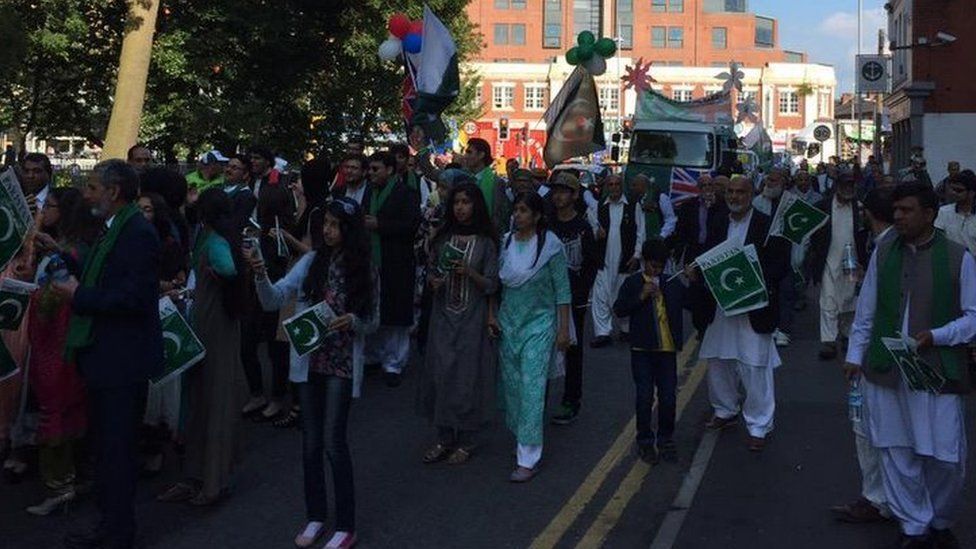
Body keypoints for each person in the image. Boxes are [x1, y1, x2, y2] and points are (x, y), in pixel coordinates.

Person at [844, 182, 976, 549]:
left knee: (945, 455)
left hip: (936, 370)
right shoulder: (884, 250)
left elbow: (974, 317)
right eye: (896, 210)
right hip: (885, 368)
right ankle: (914, 526)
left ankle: (939, 519)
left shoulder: (956, 256)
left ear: (930, 214)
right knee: (894, 448)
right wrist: (855, 356)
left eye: (906, 210)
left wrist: (938, 335)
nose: (898, 216)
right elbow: (867, 308)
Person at [251, 197, 377, 549]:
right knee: (310, 443)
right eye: (326, 224)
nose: (328, 230)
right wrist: (261, 273)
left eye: (336, 225)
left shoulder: (364, 268)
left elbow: (372, 321)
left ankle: (346, 525)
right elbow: (274, 299)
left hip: (341, 363)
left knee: (334, 443)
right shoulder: (310, 261)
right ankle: (316, 515)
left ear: (349, 230)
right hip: (309, 361)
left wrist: (352, 320)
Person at [53, 160, 163, 549]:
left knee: (116, 450)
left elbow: (133, 298)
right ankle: (108, 525)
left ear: (114, 192)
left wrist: (78, 295)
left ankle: (117, 531)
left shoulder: (137, 233)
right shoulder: (116, 228)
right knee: (105, 447)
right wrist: (62, 258)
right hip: (104, 357)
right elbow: (101, 276)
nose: (86, 194)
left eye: (93, 187)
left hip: (121, 361)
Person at [686, 175, 789, 452]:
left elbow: (781, 266)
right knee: (718, 360)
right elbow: (706, 255)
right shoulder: (719, 221)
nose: (734, 197)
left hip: (754, 308)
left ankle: (759, 425)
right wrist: (695, 269)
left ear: (751, 193)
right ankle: (725, 409)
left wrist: (755, 281)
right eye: (730, 192)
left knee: (754, 366)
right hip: (721, 306)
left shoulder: (767, 226)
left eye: (740, 192)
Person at [158, 188, 245, 506]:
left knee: (211, 399)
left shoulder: (215, 240)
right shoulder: (211, 236)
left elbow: (228, 269)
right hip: (207, 321)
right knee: (198, 400)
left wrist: (211, 276)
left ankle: (212, 481)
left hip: (213, 326)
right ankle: (196, 475)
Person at [23, 188, 96, 515]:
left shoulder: (67, 255)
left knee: (54, 411)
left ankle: (58, 486)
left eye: (50, 206)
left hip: (56, 342)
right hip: (68, 342)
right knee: (70, 409)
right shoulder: (76, 249)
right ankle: (73, 478)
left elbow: (53, 298)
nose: (44, 210)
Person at [491, 192, 571, 482]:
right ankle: (521, 438)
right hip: (509, 324)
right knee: (512, 386)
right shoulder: (506, 242)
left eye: (524, 210)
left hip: (540, 325)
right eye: (516, 210)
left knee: (532, 386)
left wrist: (563, 330)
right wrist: (492, 315)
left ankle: (528, 456)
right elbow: (497, 286)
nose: (518, 215)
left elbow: (562, 290)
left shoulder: (550, 246)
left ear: (537, 215)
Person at [418, 182, 498, 464]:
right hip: (443, 317)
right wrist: (434, 282)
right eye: (456, 203)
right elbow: (432, 272)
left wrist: (470, 273)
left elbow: (492, 284)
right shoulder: (443, 239)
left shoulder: (486, 243)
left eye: (466, 202)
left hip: (472, 319)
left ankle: (467, 439)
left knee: (467, 379)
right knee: (441, 375)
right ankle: (443, 437)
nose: (461, 208)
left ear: (476, 205)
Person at [829, 187, 895, 524]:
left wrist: (855, 354)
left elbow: (870, 310)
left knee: (866, 427)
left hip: (873, 355)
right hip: (874, 351)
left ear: (869, 213)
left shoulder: (888, 248)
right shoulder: (885, 246)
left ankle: (878, 498)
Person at [613, 239, 684, 464]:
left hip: (667, 349)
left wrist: (693, 281)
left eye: (660, 267)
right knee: (644, 396)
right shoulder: (634, 283)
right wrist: (641, 297)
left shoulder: (671, 282)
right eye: (653, 266)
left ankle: (665, 438)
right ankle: (645, 440)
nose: (656, 271)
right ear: (645, 262)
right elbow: (620, 309)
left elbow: (689, 301)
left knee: (668, 396)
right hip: (642, 348)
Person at [135, 192, 186, 476]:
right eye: (138, 209)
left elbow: (178, 280)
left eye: (148, 210)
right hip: (134, 319)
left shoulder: (168, 244)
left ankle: (155, 446)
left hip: (160, 316)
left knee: (158, 388)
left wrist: (163, 285)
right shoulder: (127, 241)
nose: (143, 215)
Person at [364, 152, 421, 387]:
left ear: (389, 169)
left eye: (376, 169)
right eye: (370, 169)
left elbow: (411, 225)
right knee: (374, 311)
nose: (371, 173)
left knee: (395, 316)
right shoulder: (369, 193)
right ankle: (374, 356)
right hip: (372, 262)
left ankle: (394, 363)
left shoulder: (406, 193)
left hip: (396, 261)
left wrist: (380, 225)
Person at [548, 173, 599, 425]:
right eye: (555, 191)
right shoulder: (546, 224)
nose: (558, 195)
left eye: (564, 191)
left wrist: (581, 294)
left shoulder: (582, 228)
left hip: (573, 299)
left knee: (572, 350)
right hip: (546, 298)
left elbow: (591, 264)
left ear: (574, 195)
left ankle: (571, 399)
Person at [240, 184, 294, 424]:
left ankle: (274, 396)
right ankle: (263, 395)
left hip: (277, 290)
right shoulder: (254, 227)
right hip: (257, 290)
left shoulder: (285, 228)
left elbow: (288, 260)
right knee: (254, 345)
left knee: (275, 348)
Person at [805, 174, 866, 361]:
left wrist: (864, 262)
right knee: (828, 300)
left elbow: (865, 234)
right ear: (837, 186)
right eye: (845, 184)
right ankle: (829, 341)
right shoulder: (822, 207)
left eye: (851, 185)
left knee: (849, 301)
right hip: (829, 260)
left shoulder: (860, 208)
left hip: (852, 261)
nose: (848, 188)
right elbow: (811, 232)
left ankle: (847, 335)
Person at [590, 174, 645, 347]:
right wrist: (595, 232)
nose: (613, 187)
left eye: (617, 184)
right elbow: (591, 225)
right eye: (610, 184)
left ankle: (626, 329)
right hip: (604, 259)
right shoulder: (599, 206)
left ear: (621, 187)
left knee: (623, 294)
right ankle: (602, 332)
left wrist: (636, 255)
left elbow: (640, 232)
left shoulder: (633, 206)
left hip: (624, 259)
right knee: (600, 296)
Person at [462, 138, 510, 238]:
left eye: (469, 152)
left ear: (481, 155)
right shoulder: (463, 180)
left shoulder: (497, 183)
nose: (465, 156)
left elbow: (498, 216)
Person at [934, 171, 976, 253]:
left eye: (959, 190)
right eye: (952, 189)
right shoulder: (943, 212)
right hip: (950, 262)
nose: (954, 193)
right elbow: (937, 239)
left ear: (971, 193)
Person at [629, 173, 676, 241]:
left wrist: (662, 235)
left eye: (635, 185)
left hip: (657, 240)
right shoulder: (636, 200)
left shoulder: (660, 197)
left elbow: (670, 219)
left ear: (642, 185)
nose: (632, 188)